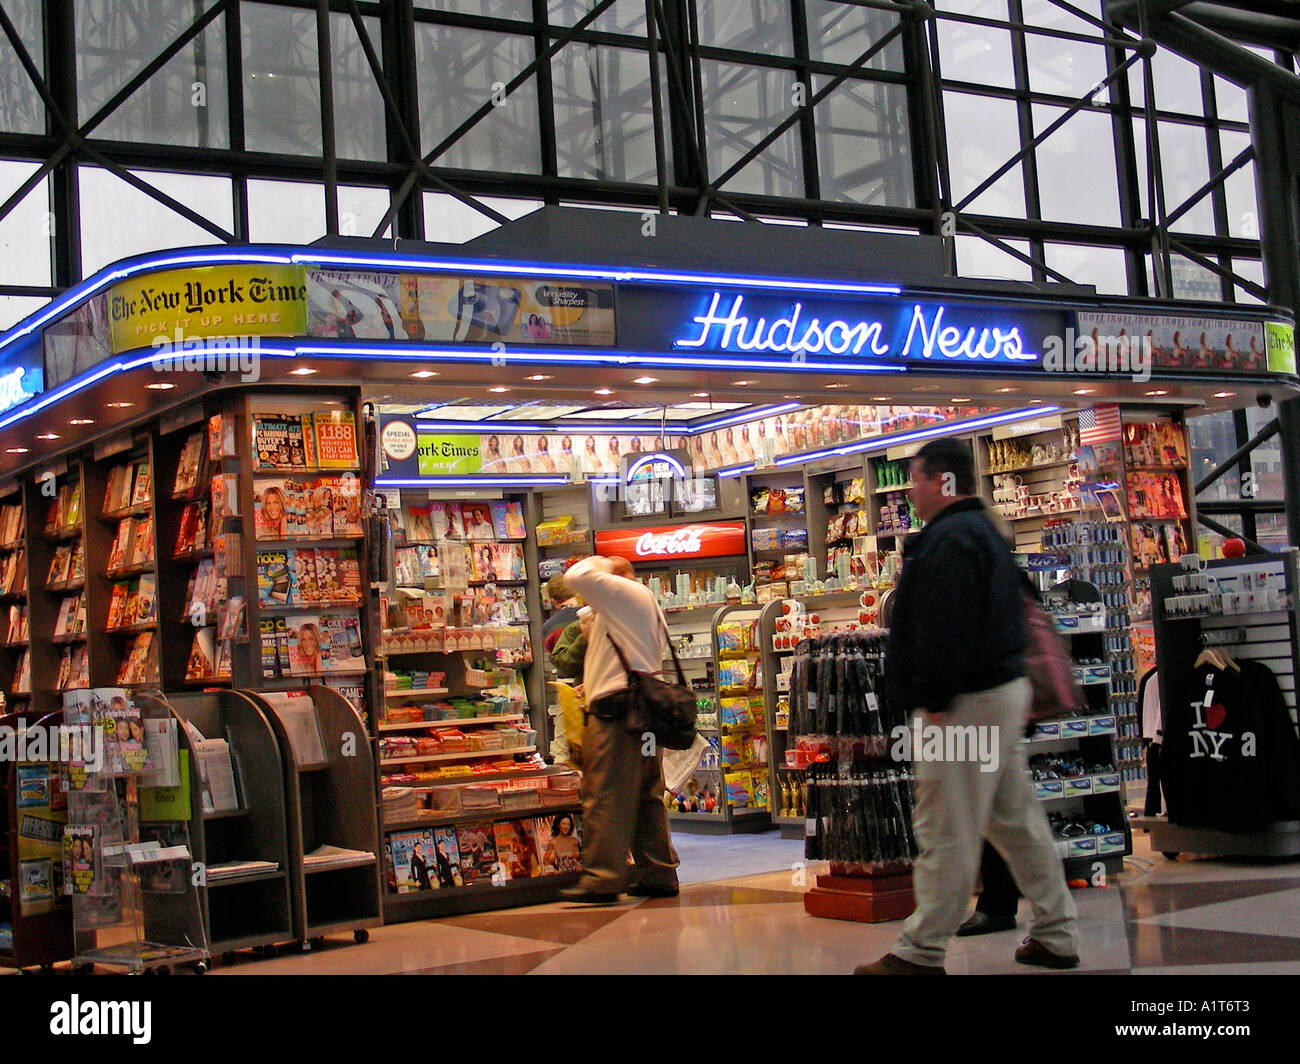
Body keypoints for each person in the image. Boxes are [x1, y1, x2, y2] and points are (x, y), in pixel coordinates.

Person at [855, 438, 1080, 975]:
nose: (910, 490)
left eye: (916, 478)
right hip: (999, 692)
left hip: (962, 703)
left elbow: (944, 629)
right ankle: (1057, 932)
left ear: (943, 480)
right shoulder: (986, 530)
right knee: (1015, 820)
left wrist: (933, 700)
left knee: (944, 825)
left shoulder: (950, 540)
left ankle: (921, 949)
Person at [559, 554, 679, 902]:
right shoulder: (643, 602)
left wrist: (602, 564)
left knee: (604, 791)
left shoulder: (624, 593)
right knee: (646, 793)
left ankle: (602, 878)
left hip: (615, 715)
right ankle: (658, 872)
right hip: (645, 716)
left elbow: (576, 575)